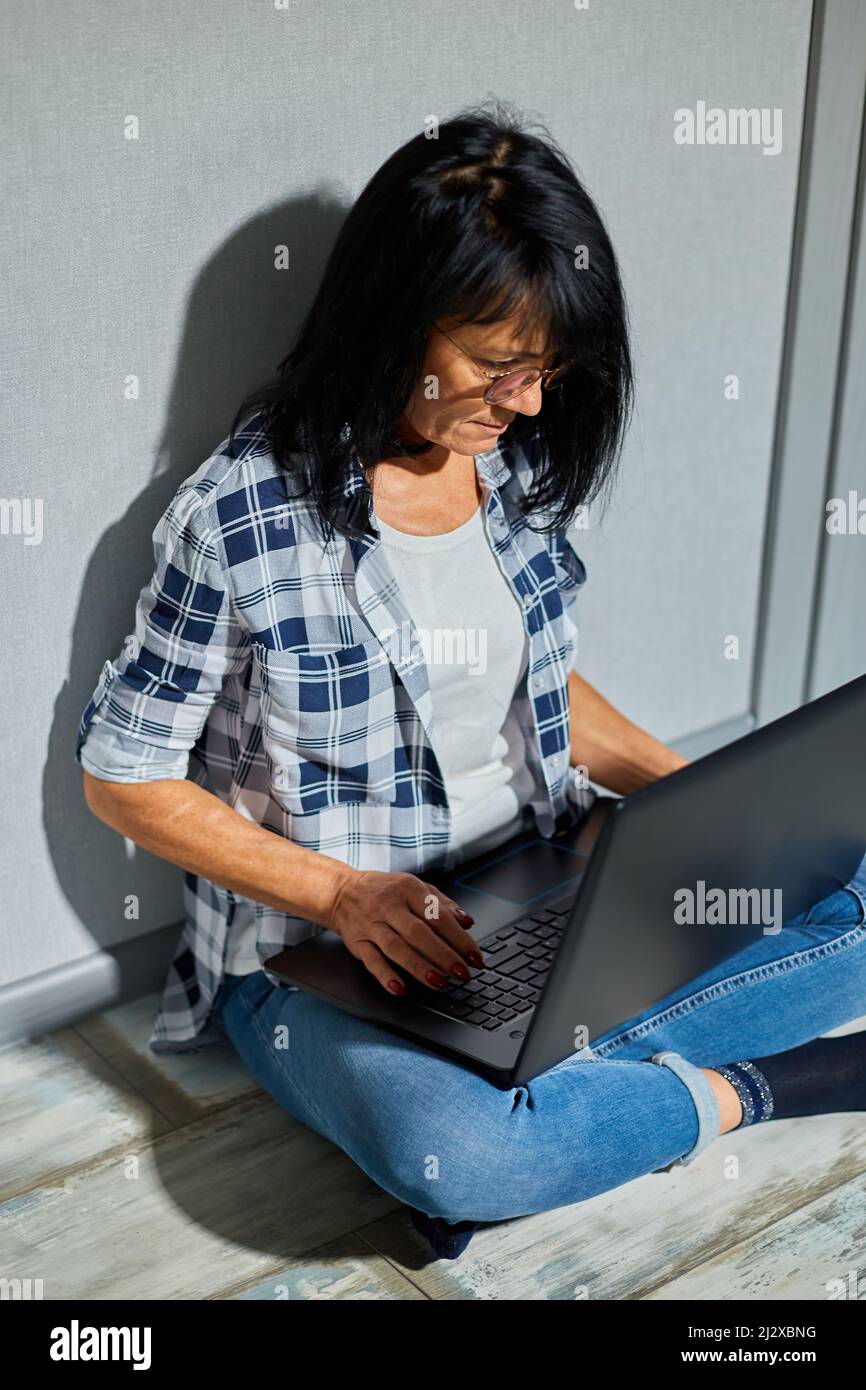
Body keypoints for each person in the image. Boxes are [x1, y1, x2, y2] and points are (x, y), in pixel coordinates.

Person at [77, 101, 866, 1261]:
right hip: (326, 961)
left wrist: (694, 801)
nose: (532, 403)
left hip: (546, 883)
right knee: (462, 1147)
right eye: (500, 366)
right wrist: (344, 896)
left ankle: (568, 1068)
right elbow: (122, 774)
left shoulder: (510, 464)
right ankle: (745, 1087)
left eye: (546, 369)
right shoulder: (237, 517)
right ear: (397, 323)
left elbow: (533, 681)